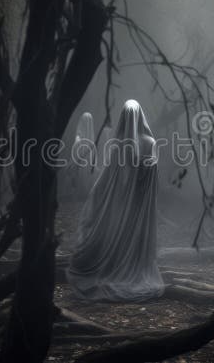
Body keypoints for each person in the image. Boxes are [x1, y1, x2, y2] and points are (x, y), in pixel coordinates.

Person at [67, 100, 164, 301]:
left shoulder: (119, 143)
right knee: (128, 232)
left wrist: (100, 195)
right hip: (134, 203)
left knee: (121, 231)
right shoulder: (146, 142)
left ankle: (120, 264)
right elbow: (139, 173)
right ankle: (127, 265)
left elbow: (108, 177)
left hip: (126, 202)